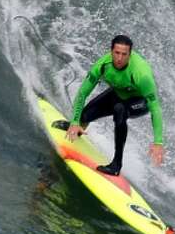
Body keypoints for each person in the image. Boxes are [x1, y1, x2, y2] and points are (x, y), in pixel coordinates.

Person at [65, 35, 165, 174]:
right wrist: (75, 121)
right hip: (117, 94)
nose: (119, 58)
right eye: (117, 53)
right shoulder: (102, 65)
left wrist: (158, 142)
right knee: (84, 116)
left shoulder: (141, 74)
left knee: (120, 110)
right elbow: (82, 93)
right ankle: (77, 129)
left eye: (124, 54)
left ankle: (116, 165)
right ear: (111, 51)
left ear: (130, 55)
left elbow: (155, 108)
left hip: (140, 102)